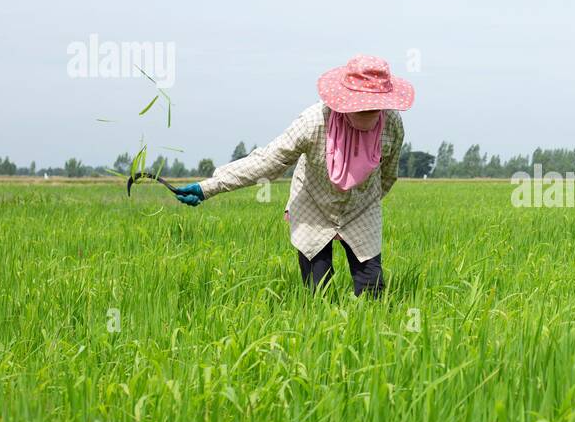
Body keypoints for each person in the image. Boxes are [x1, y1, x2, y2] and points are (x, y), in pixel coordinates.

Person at [175, 55, 415, 295]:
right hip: (313, 205)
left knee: (373, 288)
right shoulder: (313, 122)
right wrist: (209, 187)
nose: (368, 111)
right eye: (360, 105)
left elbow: (388, 175)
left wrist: (363, 202)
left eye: (375, 106)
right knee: (318, 291)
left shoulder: (392, 124)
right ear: (345, 102)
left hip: (363, 207)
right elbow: (268, 161)